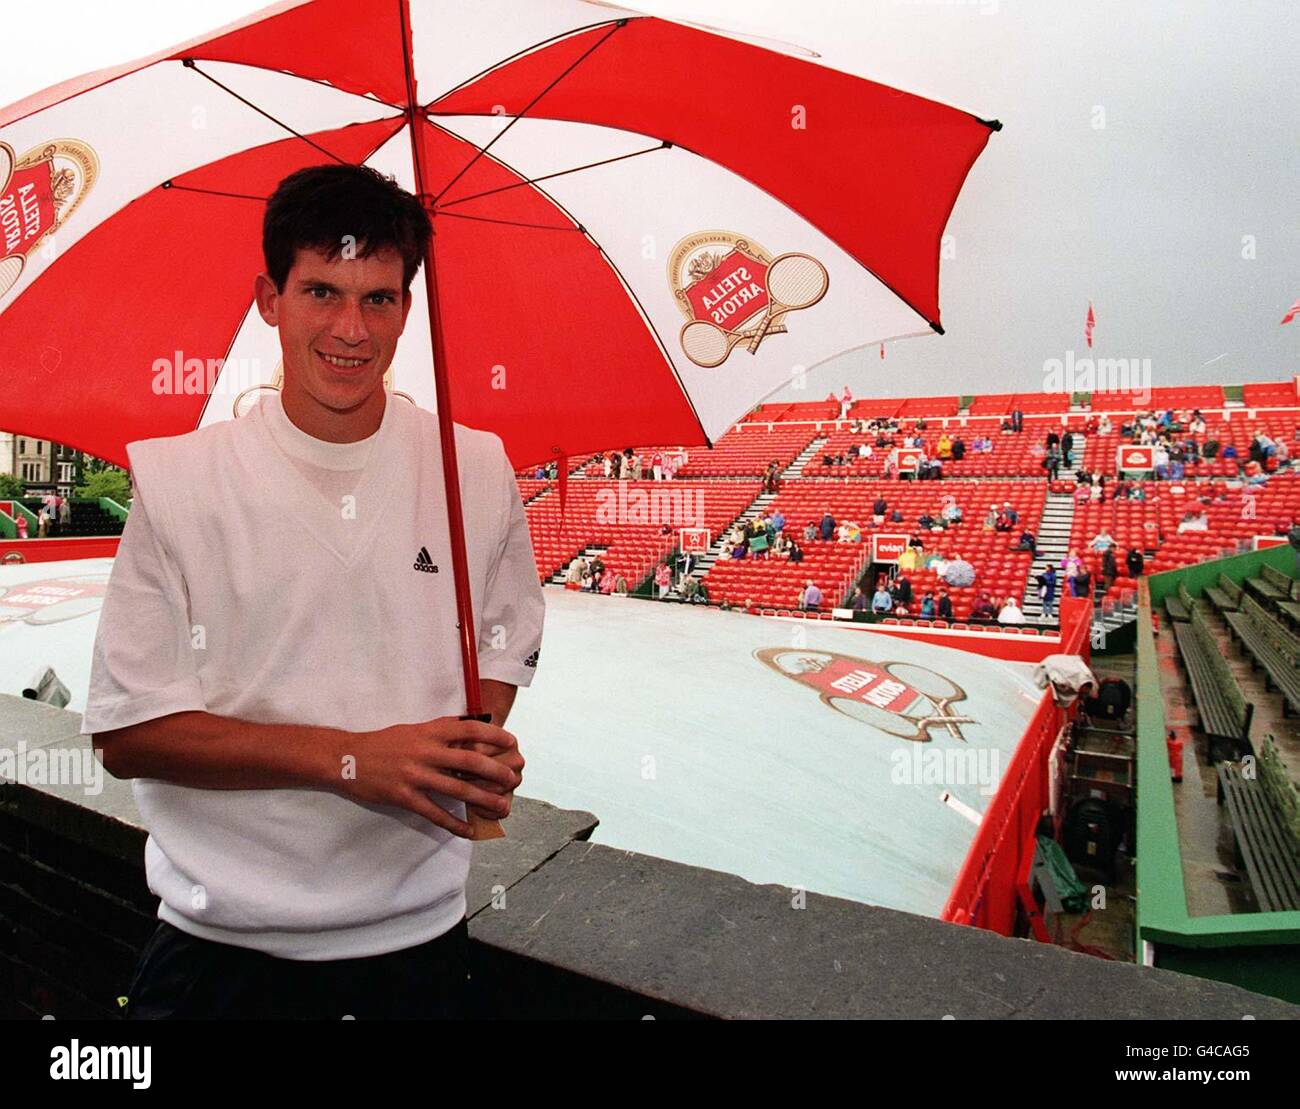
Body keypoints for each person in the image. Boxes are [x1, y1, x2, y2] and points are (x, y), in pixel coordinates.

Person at [82, 164, 544, 1020]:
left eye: (378, 298)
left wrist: (470, 741)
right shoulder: (182, 478)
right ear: (270, 297)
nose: (350, 329)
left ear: (409, 307)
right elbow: (129, 731)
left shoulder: (474, 468)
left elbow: (503, 649)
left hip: (421, 950)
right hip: (221, 957)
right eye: (321, 291)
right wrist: (350, 758)